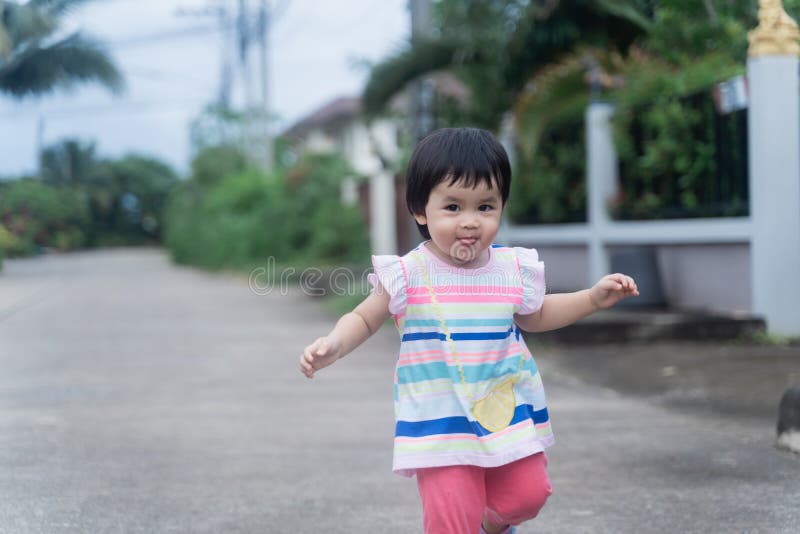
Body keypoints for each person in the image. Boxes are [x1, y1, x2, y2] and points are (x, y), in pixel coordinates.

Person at [299, 127, 639, 534]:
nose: (470, 222)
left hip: (505, 413)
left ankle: (489, 523)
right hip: (439, 423)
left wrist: (592, 299)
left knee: (529, 495)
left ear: (501, 207)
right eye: (454, 207)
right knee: (450, 520)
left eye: (485, 207)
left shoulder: (511, 268)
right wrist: (335, 343)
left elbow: (537, 314)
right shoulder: (409, 273)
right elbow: (366, 316)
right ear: (420, 210)